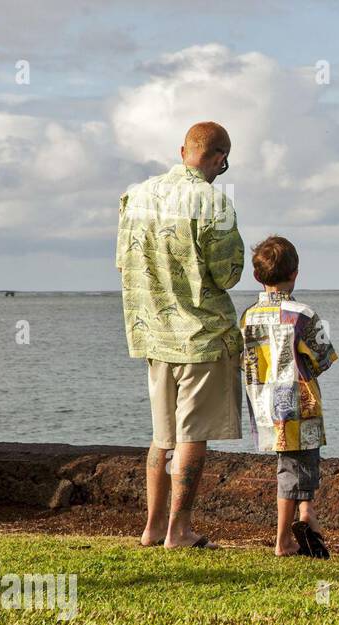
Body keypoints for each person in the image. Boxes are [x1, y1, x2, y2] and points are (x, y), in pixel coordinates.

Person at [116, 122, 242, 549]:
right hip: (201, 337)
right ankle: (179, 530)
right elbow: (228, 274)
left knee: (161, 437)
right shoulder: (213, 202)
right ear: (220, 158)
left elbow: (123, 264)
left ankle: (151, 527)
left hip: (152, 335)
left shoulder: (135, 196)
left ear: (182, 150)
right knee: (192, 436)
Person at [239, 236, 339, 557]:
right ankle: (283, 539)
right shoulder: (304, 314)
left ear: (257, 276)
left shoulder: (248, 316)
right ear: (296, 273)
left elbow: (246, 361)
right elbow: (322, 358)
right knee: (293, 466)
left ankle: (307, 514)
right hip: (299, 401)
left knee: (300, 460)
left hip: (265, 403)